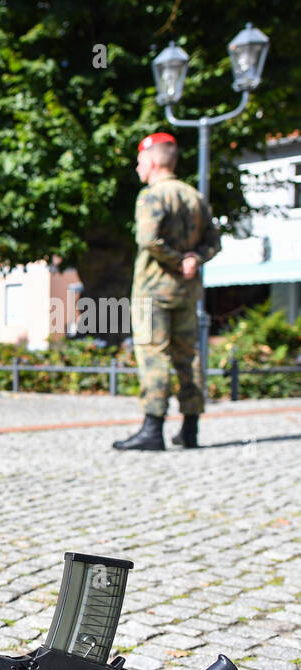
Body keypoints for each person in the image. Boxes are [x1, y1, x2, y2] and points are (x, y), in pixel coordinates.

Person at [113, 132, 221, 451]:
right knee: (189, 357)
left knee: (153, 354)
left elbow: (147, 239)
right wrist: (193, 260)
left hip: (153, 290)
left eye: (140, 161)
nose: (137, 168)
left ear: (153, 161)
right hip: (187, 292)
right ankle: (190, 430)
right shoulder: (195, 197)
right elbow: (214, 242)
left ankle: (152, 429)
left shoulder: (151, 196)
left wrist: (176, 261)